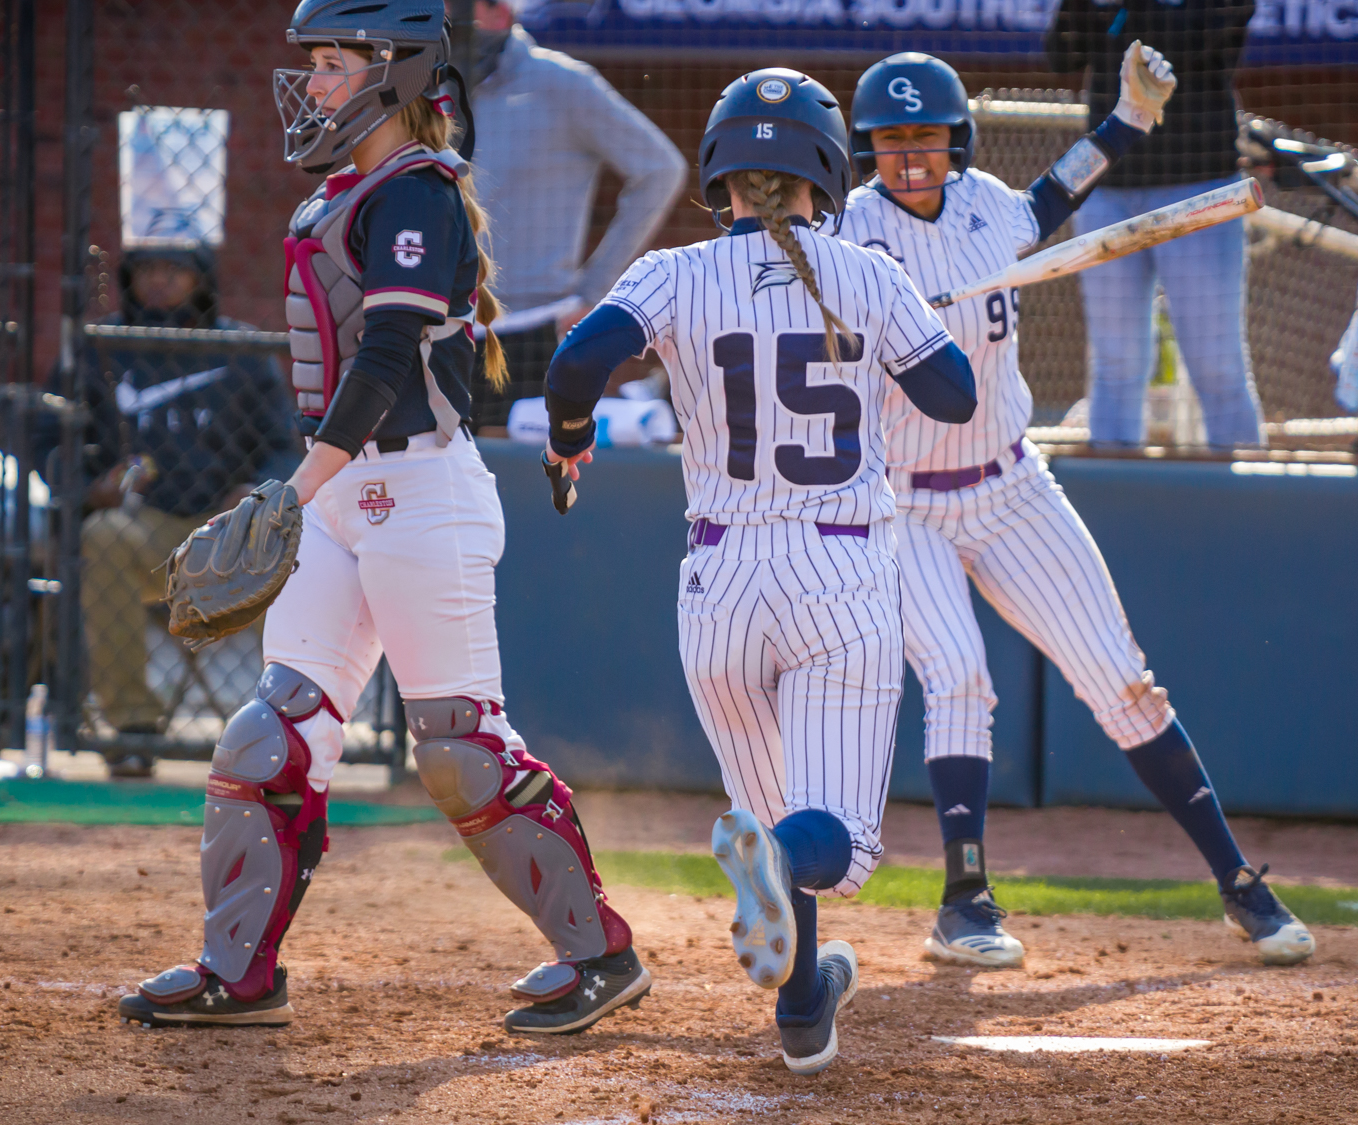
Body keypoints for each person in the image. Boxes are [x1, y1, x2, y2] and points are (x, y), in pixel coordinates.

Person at [118, 0, 649, 1036]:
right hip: (344, 496)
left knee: (460, 750)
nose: (311, 83)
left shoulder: (418, 196)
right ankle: (241, 972)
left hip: (422, 499)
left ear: (393, 72)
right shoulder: (344, 193)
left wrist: (297, 479)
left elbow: (390, 351)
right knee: (270, 736)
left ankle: (599, 956)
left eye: (329, 64)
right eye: (313, 64)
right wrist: (315, 485)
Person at [540, 69, 977, 1074]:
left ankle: (800, 1013)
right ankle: (779, 876)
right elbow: (952, 398)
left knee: (785, 823)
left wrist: (570, 437)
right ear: (828, 169)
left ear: (721, 174)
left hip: (719, 585)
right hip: (838, 576)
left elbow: (572, 366)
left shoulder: (671, 274)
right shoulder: (867, 273)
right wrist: (906, 327)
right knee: (836, 851)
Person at [838, 51, 1313, 970]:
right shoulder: (847, 237)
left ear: (955, 142)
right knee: (959, 678)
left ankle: (1237, 881)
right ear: (867, 149)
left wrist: (1130, 119)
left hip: (1012, 483)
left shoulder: (986, 206)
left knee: (1121, 679)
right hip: (901, 505)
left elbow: (1056, 198)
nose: (910, 156)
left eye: (926, 138)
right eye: (891, 141)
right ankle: (964, 900)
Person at [33, 245, 299, 779]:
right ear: (129, 278)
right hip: (145, 528)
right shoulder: (100, 346)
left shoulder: (241, 347)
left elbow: (285, 444)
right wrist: (90, 486)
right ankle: (134, 728)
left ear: (200, 279)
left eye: (174, 270)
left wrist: (253, 491)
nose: (159, 281)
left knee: (302, 552)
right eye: (147, 270)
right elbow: (46, 435)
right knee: (103, 535)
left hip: (229, 528)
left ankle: (290, 726)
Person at [461, 0, 687, 434]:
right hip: (446, 330)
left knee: (535, 487)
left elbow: (661, 169)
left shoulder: (562, 83)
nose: (448, 21)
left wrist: (593, 288)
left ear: (501, 11)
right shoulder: (434, 86)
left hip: (534, 333)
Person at [1046, 0, 1265, 447]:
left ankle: (1247, 506)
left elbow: (1187, 50)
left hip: (1197, 189)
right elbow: (1061, 55)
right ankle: (1116, 504)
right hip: (1108, 188)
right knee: (1117, 364)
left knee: (1217, 365)